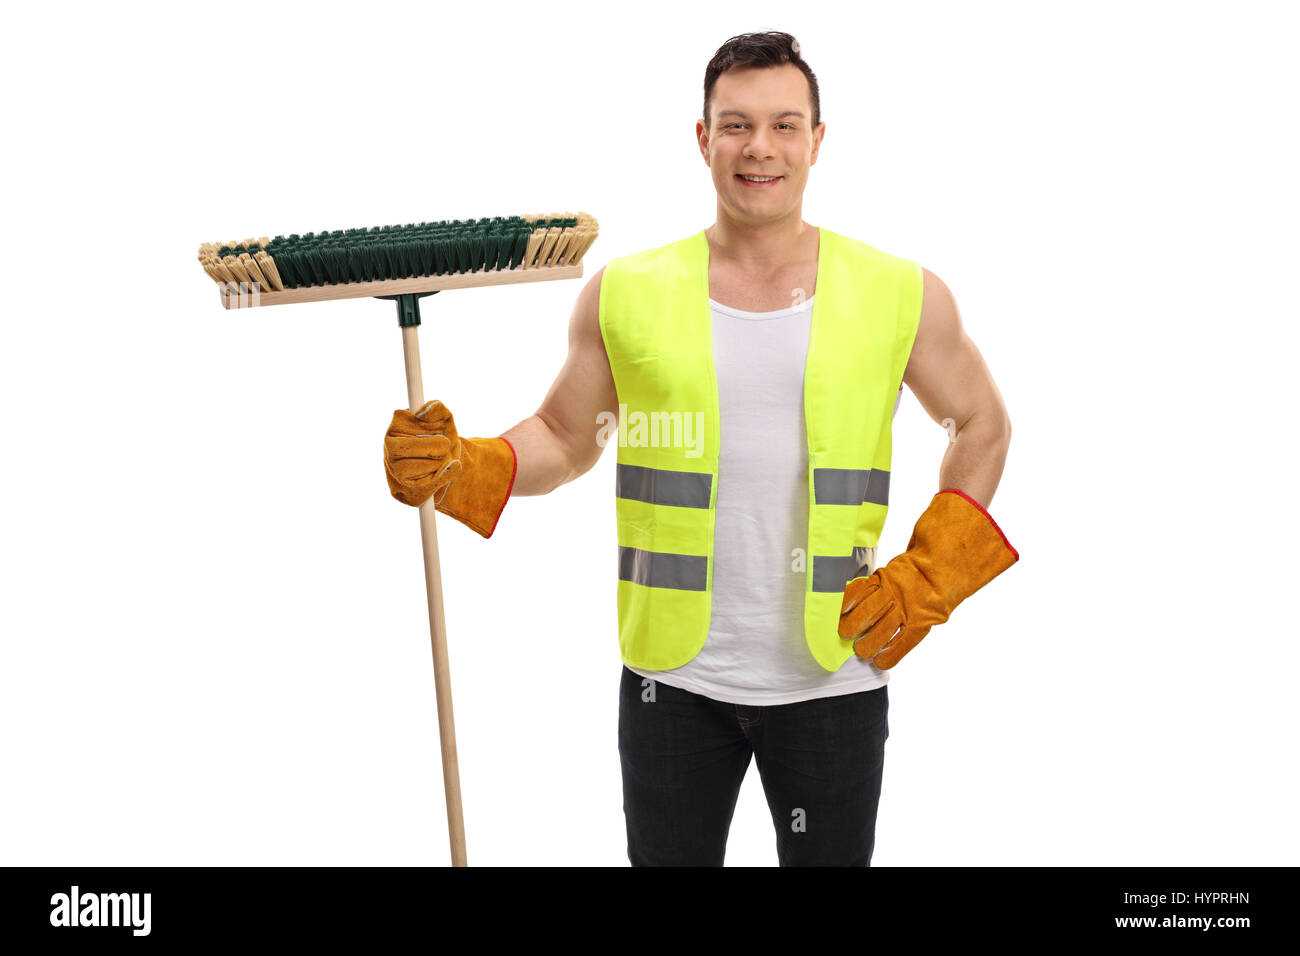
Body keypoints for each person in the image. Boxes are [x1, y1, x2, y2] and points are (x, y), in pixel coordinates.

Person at [382, 30, 1019, 866]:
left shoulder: (901, 293)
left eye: (785, 125)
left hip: (836, 680)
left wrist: (932, 570)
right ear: (703, 137)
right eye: (737, 124)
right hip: (671, 686)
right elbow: (567, 437)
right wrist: (467, 465)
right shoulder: (630, 291)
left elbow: (981, 422)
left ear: (818, 141)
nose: (761, 147)